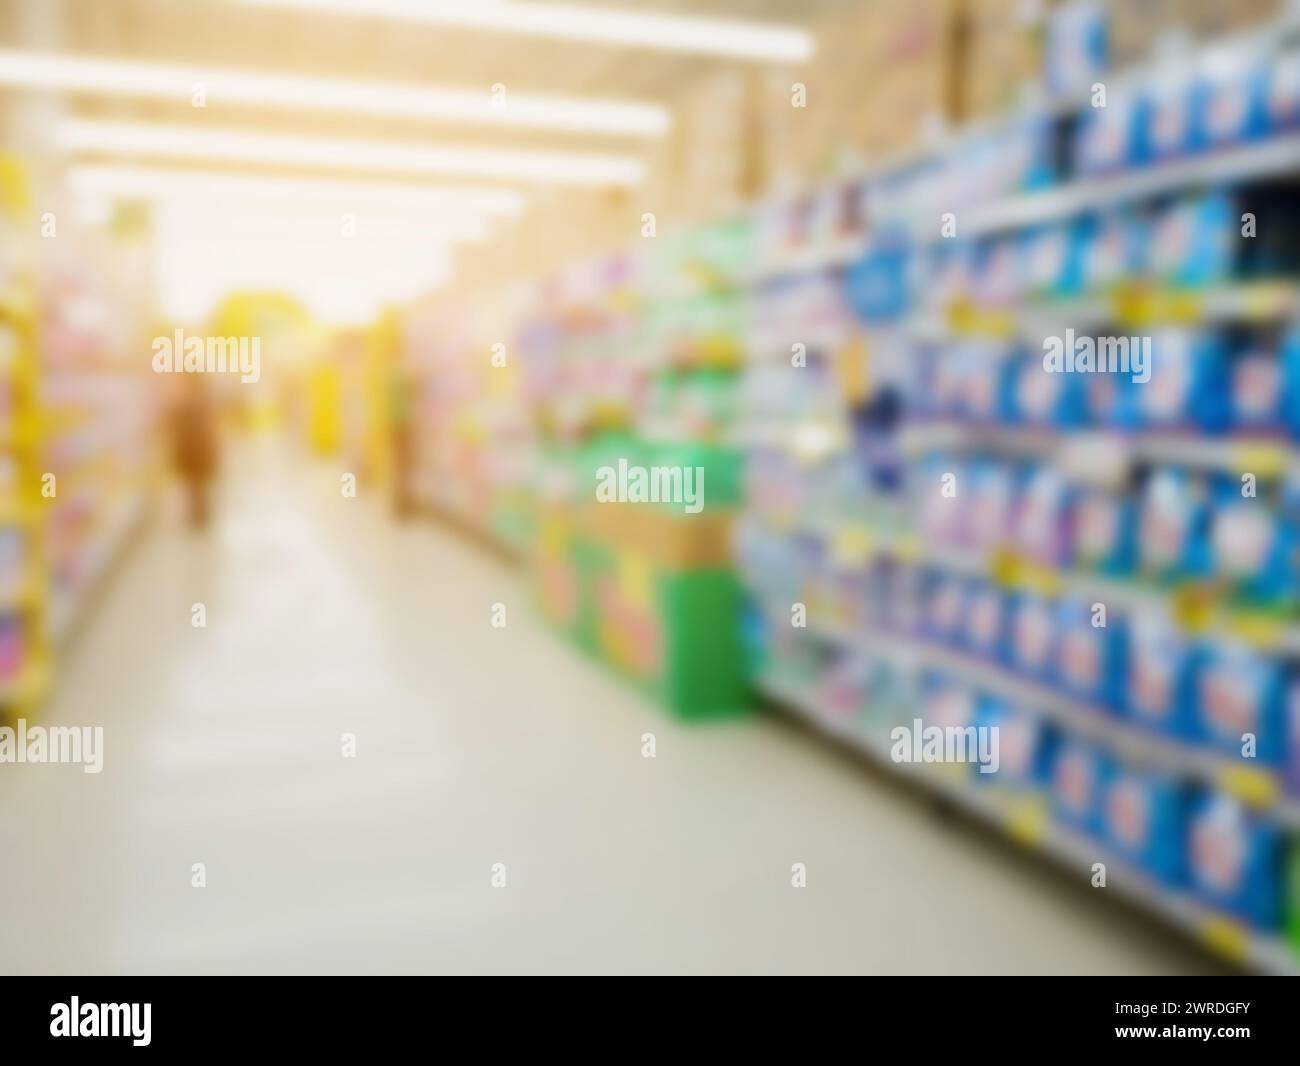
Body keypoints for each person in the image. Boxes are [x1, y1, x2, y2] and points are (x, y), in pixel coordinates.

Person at [169, 373, 220, 530]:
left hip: (190, 448)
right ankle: (201, 514)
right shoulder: (206, 399)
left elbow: (175, 424)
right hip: (202, 448)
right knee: (199, 485)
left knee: (194, 485)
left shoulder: (183, 401)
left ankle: (198, 515)